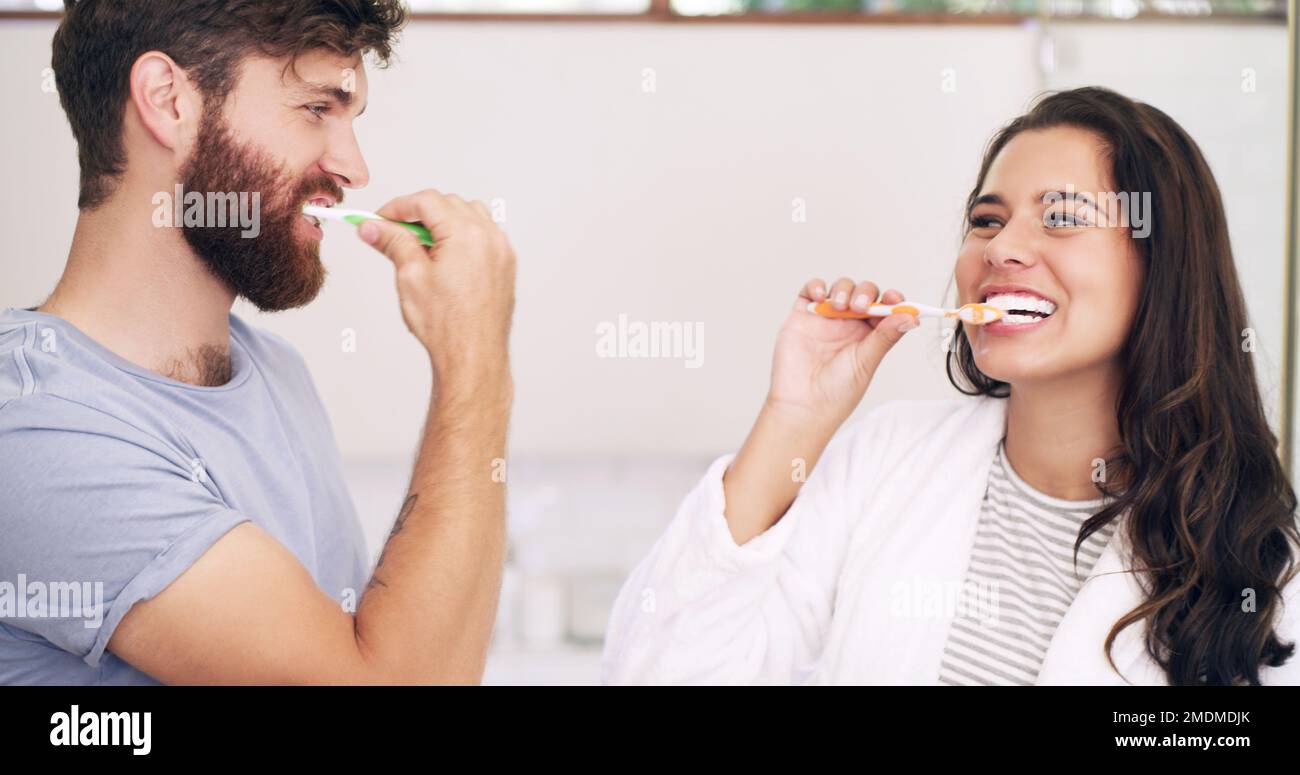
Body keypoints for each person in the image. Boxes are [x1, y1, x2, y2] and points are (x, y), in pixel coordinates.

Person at [602, 86, 1300, 686]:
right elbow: (658, 672)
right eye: (986, 220)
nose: (999, 248)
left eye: (1061, 218)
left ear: (1163, 265)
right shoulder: (883, 461)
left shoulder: (1268, 562)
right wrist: (793, 418)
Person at [0, 0, 516, 684]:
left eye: (350, 117)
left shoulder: (276, 373)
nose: (354, 166)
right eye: (315, 109)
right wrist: (474, 360)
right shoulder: (31, 426)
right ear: (167, 101)